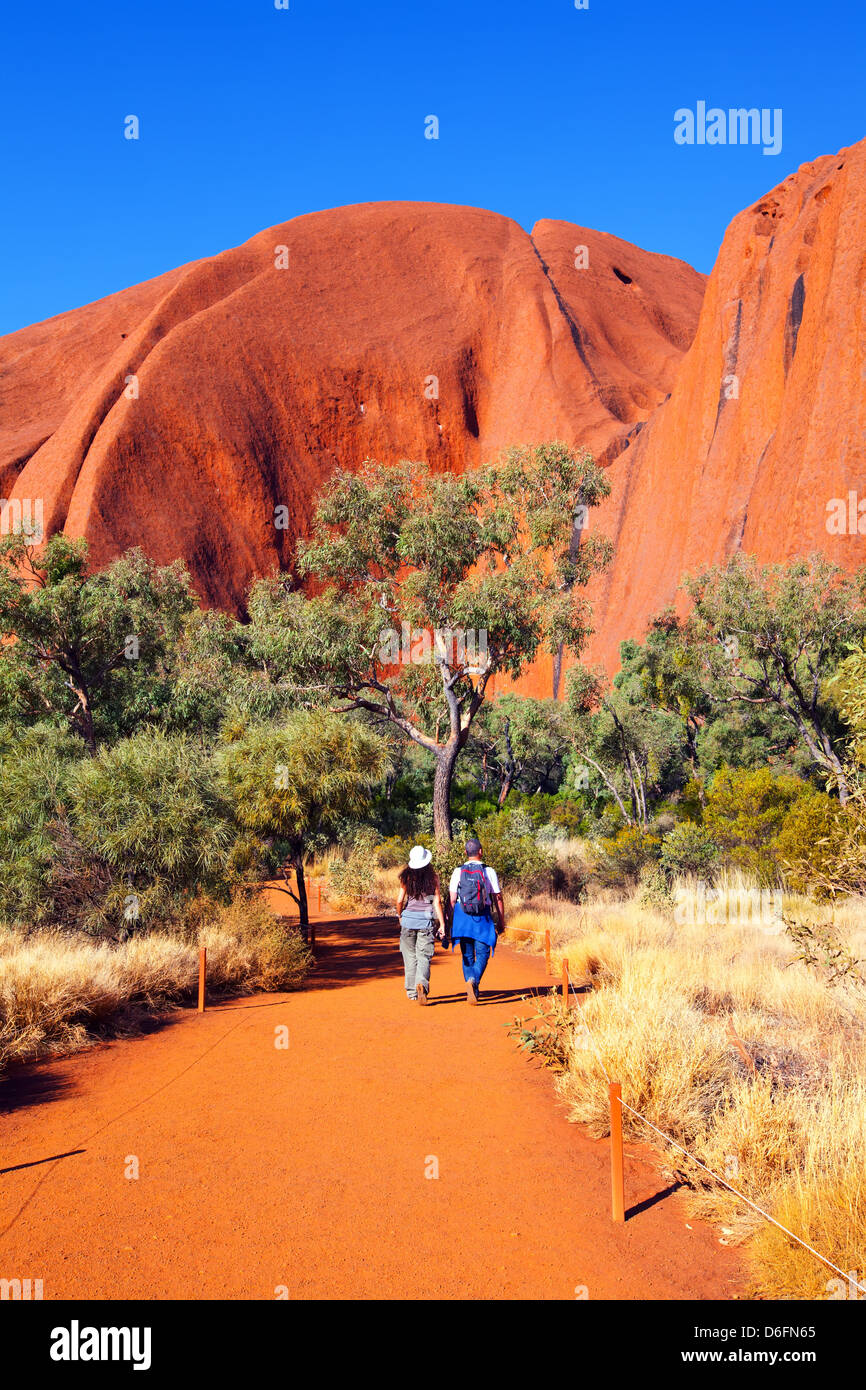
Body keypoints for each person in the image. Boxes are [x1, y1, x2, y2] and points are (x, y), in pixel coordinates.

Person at [449, 837, 504, 1004]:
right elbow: (498, 898)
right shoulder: (489, 871)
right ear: (480, 852)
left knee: (467, 955)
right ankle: (474, 981)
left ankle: (471, 981)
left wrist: (450, 922)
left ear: (466, 853)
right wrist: (501, 919)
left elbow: (452, 899)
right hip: (483, 916)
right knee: (483, 953)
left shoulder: (458, 871)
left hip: (462, 916)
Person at [396, 846, 446, 1005]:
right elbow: (436, 902)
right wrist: (442, 925)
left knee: (409, 956)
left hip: (408, 920)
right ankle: (422, 985)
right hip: (426, 921)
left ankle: (411, 991)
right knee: (423, 956)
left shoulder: (406, 878)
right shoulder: (433, 878)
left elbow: (399, 900)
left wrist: (400, 916)